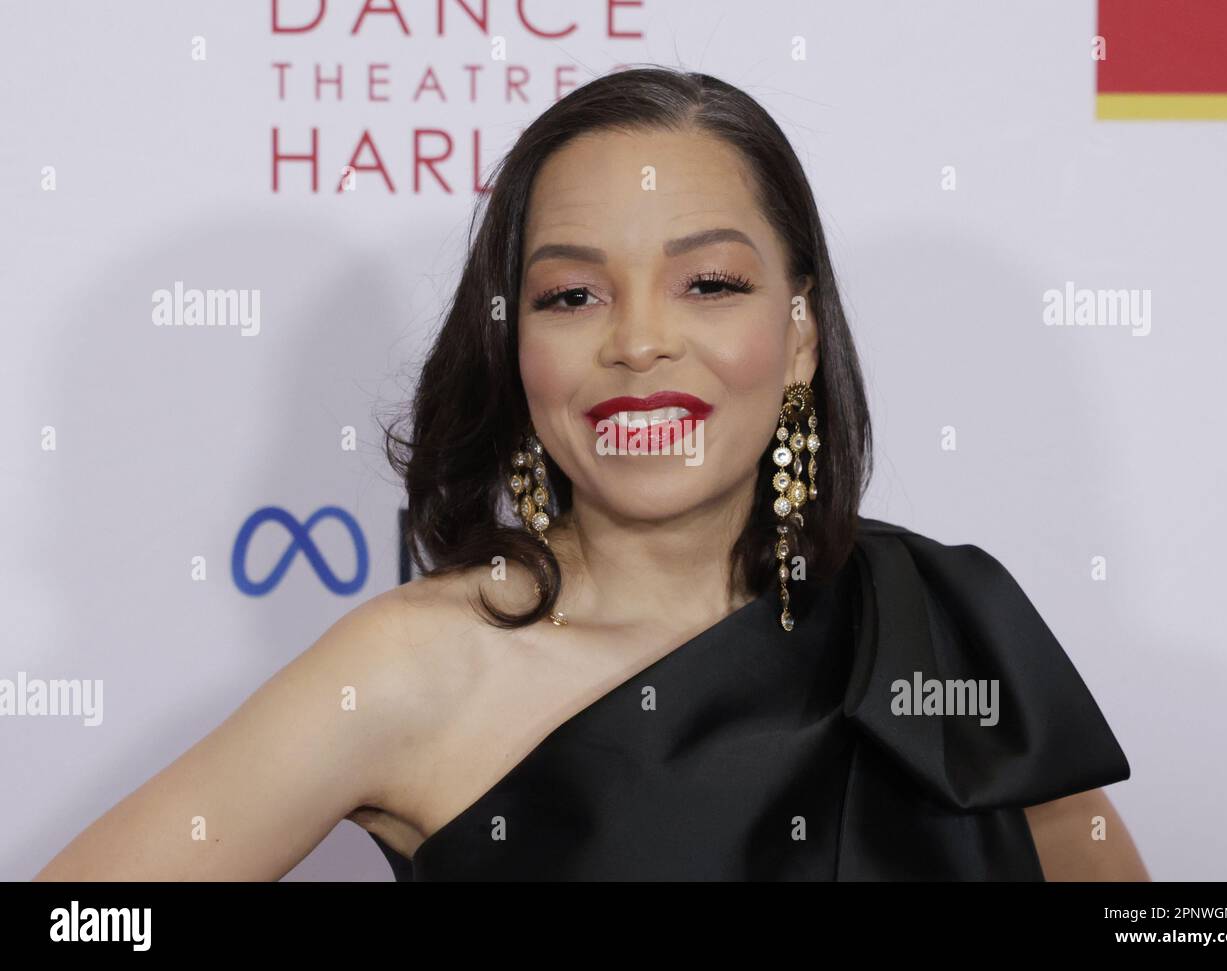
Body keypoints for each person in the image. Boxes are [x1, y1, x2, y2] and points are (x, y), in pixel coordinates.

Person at [35, 66, 1146, 882]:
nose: (639, 341)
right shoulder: (417, 666)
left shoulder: (938, 621)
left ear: (800, 331)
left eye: (708, 283)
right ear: (514, 346)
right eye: (573, 295)